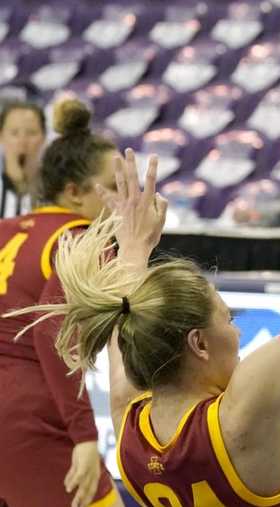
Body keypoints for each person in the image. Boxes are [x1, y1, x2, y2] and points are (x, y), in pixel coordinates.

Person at [8, 19, 280, 505]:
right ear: (199, 344)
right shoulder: (238, 418)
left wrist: (131, 252)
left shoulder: (130, 429)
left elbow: (131, 319)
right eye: (226, 318)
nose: (236, 331)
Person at [0, 99, 122, 507]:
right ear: (74, 192)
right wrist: (85, 436)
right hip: (29, 417)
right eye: (117, 185)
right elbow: (53, 335)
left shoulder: (6, 228)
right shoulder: (85, 237)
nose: (128, 197)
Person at [0, 100, 46, 217]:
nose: (22, 141)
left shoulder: (55, 191)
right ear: (1, 136)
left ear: (43, 137)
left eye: (31, 133)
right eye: (14, 133)